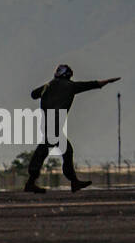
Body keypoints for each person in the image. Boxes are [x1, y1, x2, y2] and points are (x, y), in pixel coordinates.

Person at [24, 64, 121, 194]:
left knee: (61, 150)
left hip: (47, 122)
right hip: (54, 123)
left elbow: (33, 94)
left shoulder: (49, 85)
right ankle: (35, 183)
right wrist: (106, 82)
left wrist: (46, 89)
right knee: (51, 150)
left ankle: (72, 182)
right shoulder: (70, 86)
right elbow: (89, 85)